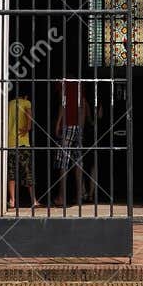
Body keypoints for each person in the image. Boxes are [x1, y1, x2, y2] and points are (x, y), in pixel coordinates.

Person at [53, 78, 92, 207]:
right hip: (78, 127)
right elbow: (83, 105)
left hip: (67, 126)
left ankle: (61, 197)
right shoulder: (80, 84)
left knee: (63, 161)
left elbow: (62, 104)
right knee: (78, 161)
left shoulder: (62, 83)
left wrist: (58, 123)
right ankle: (80, 195)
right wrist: (81, 127)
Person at [6, 86, 35, 211]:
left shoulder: (9, 104)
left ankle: (12, 200)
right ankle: (33, 199)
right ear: (26, 96)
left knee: (11, 172)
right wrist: (28, 127)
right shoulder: (26, 102)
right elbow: (29, 115)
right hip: (23, 142)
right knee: (27, 171)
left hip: (10, 142)